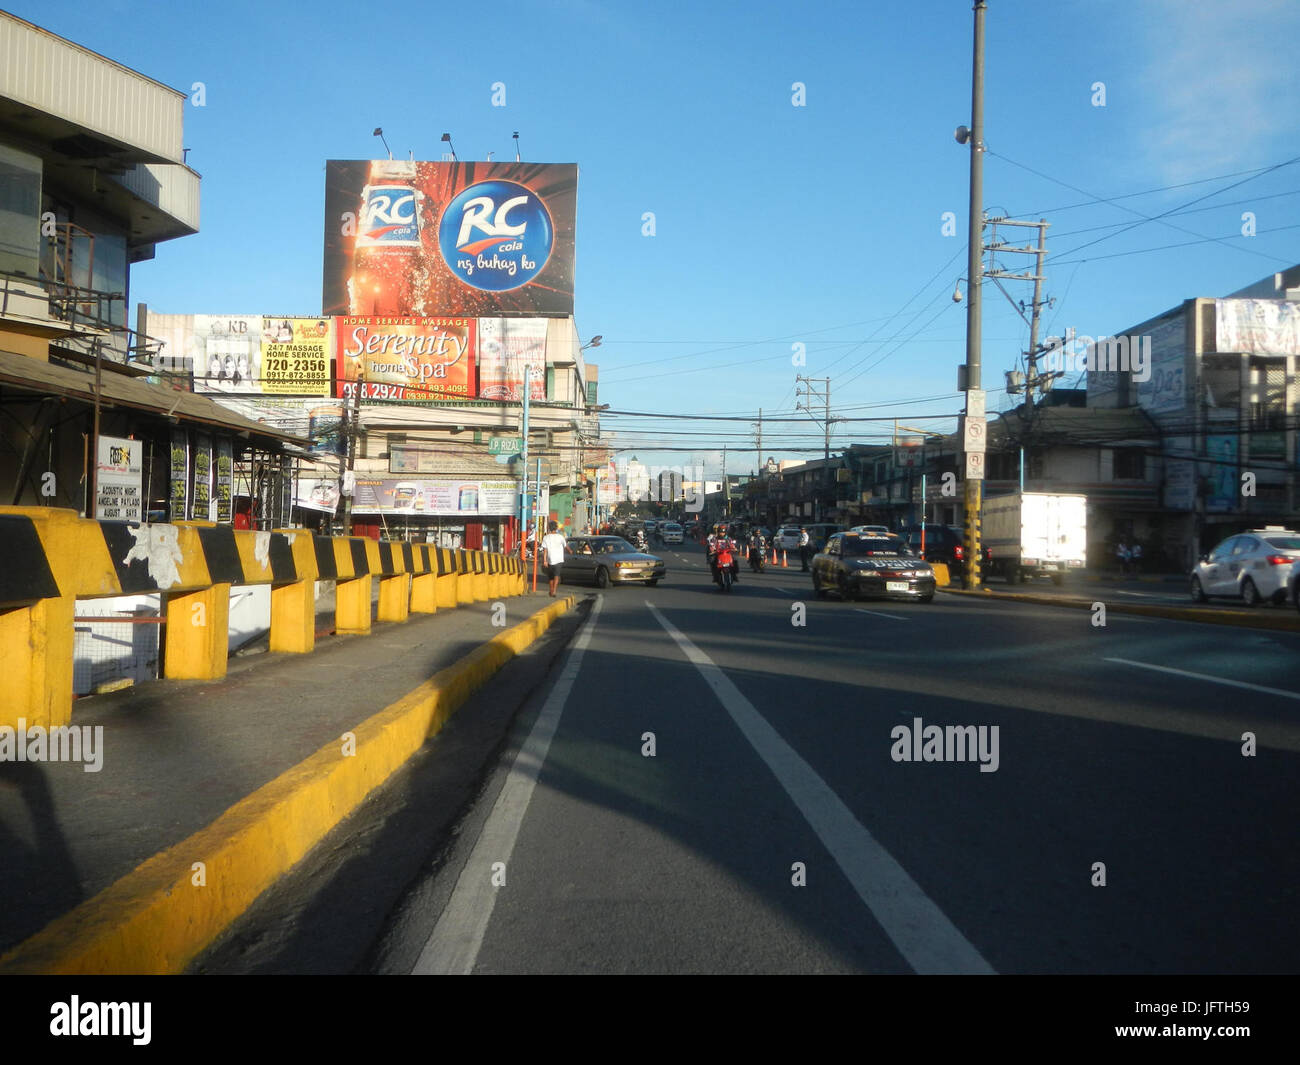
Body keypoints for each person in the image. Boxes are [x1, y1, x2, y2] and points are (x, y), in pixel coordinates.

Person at [541, 520, 567, 597]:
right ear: (556, 528)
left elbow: (545, 550)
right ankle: (554, 590)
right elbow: (565, 546)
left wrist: (545, 560)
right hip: (559, 560)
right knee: (556, 575)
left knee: (551, 577)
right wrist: (570, 550)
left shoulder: (546, 537)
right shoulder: (561, 537)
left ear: (549, 528)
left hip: (550, 560)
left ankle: (551, 590)